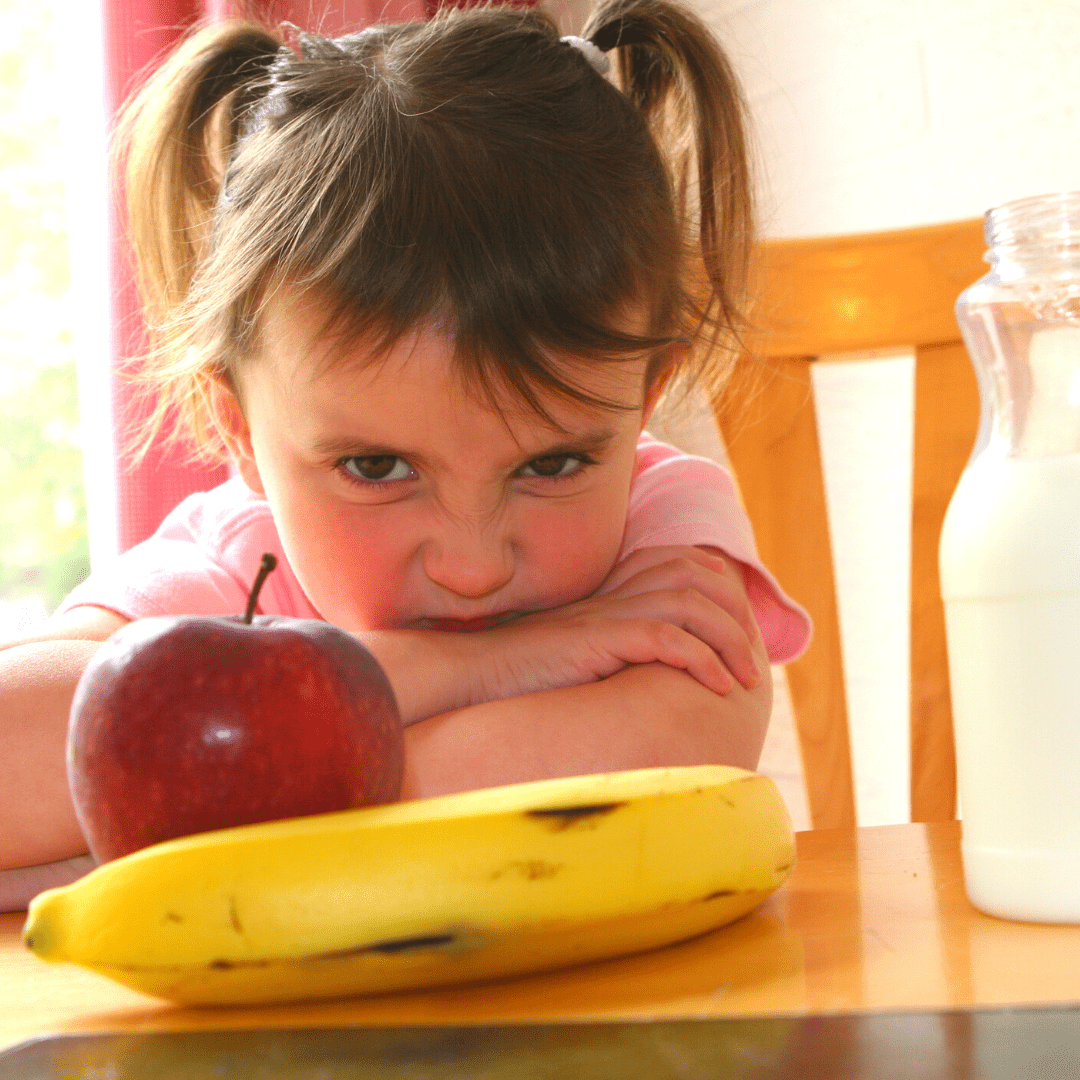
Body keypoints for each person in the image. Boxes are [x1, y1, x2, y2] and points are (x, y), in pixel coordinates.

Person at [0, 0, 811, 881]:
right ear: (237, 427)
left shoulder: (663, 524)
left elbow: (674, 758)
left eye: (551, 463)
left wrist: (198, 801)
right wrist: (489, 664)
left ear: (646, 399)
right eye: (377, 468)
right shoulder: (234, 561)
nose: (473, 566)